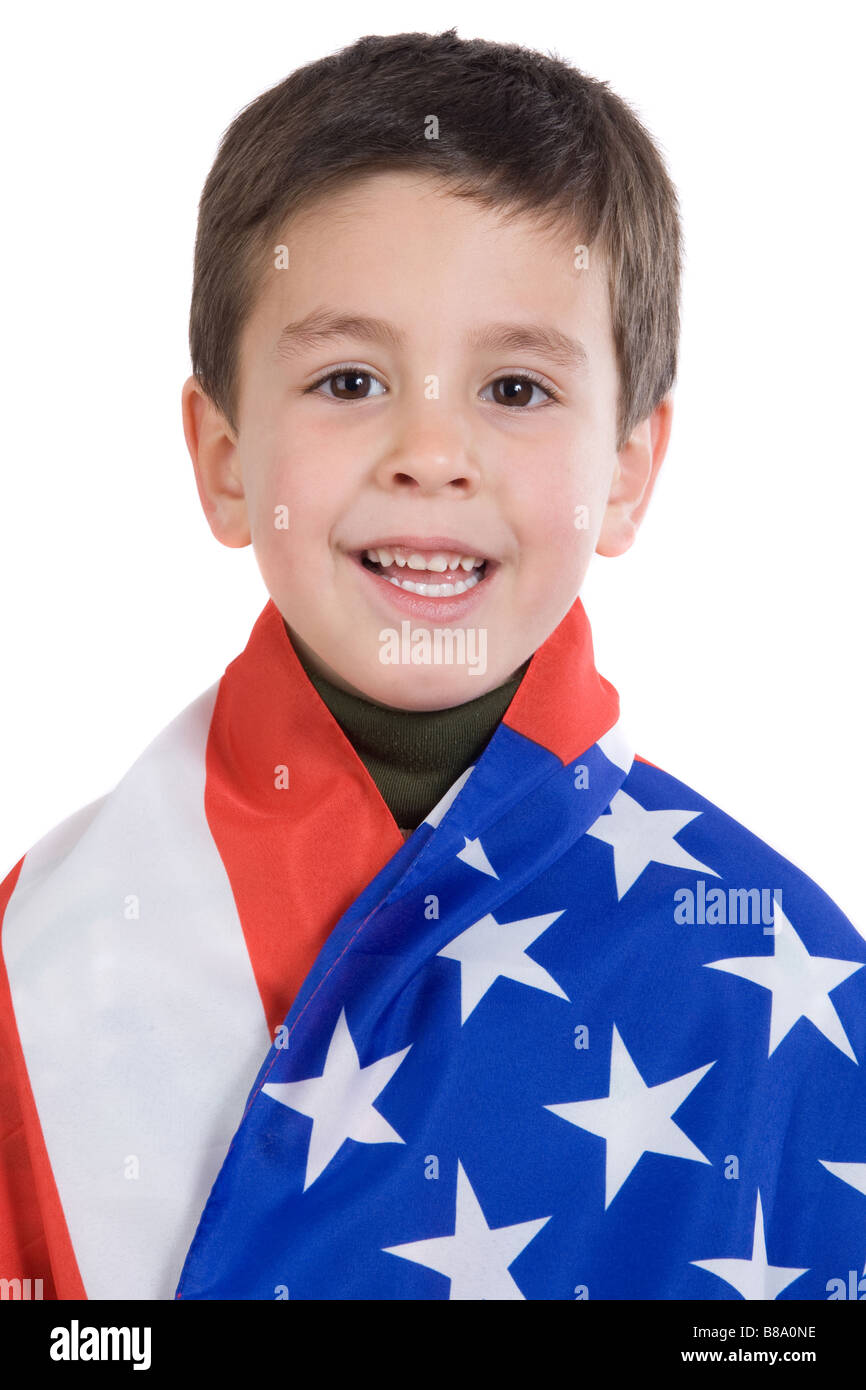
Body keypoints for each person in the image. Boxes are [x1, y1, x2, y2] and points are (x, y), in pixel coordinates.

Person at [2, 28, 864, 1303]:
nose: (430, 451)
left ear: (625, 472)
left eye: (514, 389)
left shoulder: (781, 980)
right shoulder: (43, 954)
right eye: (350, 378)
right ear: (225, 458)